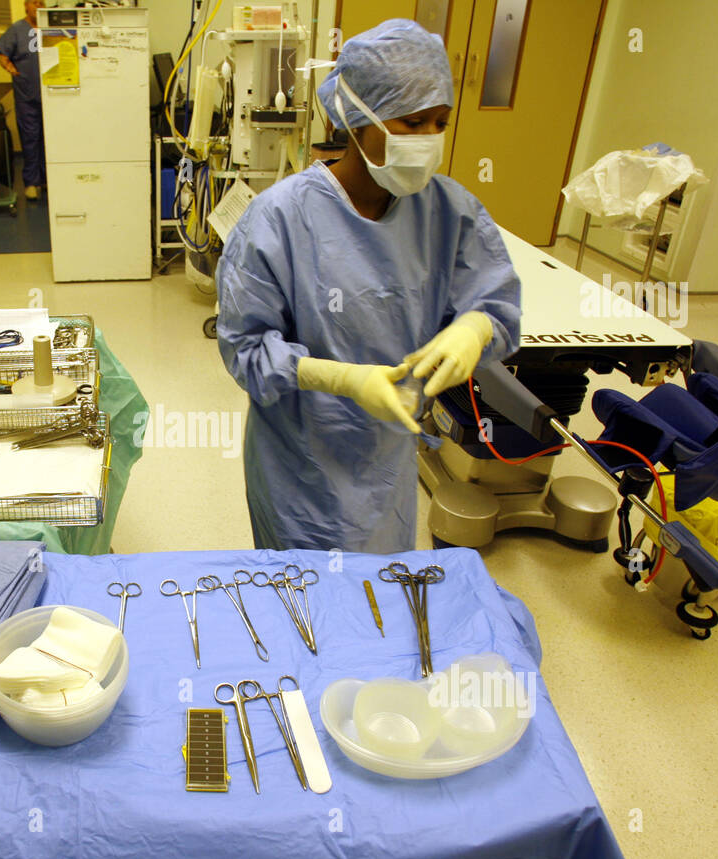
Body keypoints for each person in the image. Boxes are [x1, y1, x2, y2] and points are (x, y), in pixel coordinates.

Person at [215, 19, 522, 554]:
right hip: (300, 464)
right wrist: (340, 379)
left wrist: (474, 327)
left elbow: (495, 305)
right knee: (302, 600)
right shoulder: (280, 219)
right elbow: (244, 348)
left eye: (439, 123)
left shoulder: (449, 211)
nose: (428, 140)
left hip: (386, 459)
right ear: (357, 119)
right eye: (410, 123)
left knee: (379, 587)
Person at [0, 0, 46, 200]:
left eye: (42, 3)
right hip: (27, 95)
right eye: (34, 2)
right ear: (26, 6)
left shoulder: (52, 28)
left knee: (50, 138)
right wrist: (13, 71)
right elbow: (3, 55)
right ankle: (32, 182)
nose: (38, 6)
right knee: (30, 137)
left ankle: (48, 179)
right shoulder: (17, 30)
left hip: (51, 95)